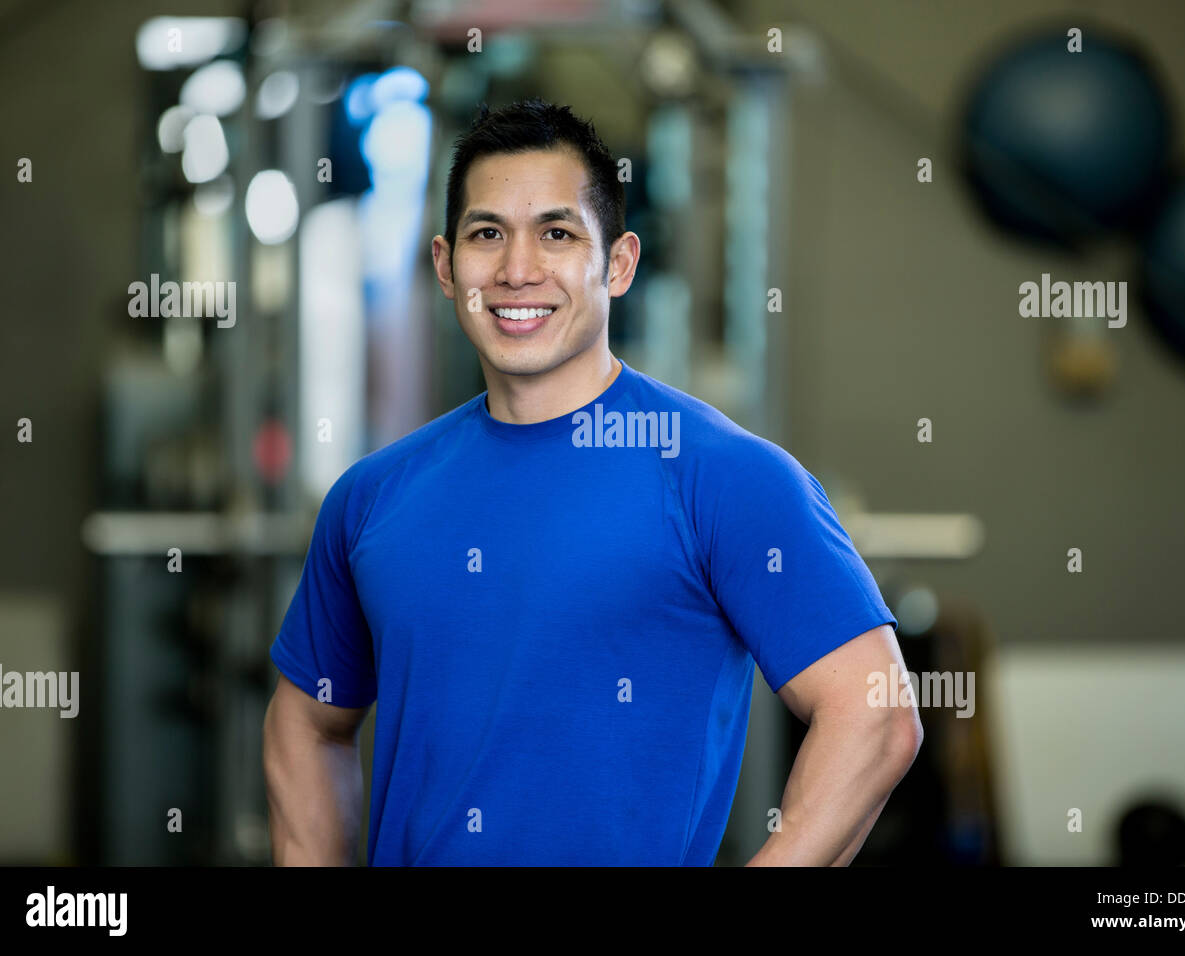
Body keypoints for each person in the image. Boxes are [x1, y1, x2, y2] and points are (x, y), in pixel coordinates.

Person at [263, 98, 921, 866]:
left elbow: (874, 716)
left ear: (618, 262)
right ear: (446, 265)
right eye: (487, 235)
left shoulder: (723, 475)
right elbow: (307, 722)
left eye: (556, 233)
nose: (516, 270)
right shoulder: (371, 496)